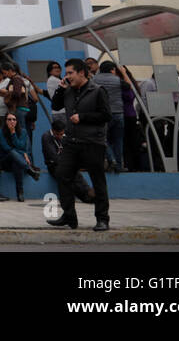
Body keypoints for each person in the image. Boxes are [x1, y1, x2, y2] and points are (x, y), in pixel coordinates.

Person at [48, 58, 111, 231]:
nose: (67, 76)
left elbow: (106, 115)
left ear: (81, 73)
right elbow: (55, 105)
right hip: (72, 142)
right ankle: (69, 216)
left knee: (98, 181)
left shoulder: (97, 91)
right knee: (62, 174)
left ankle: (102, 219)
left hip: (92, 142)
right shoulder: (68, 90)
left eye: (70, 73)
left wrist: (83, 117)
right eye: (66, 73)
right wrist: (61, 89)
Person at [42, 118, 93, 204]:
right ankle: (85, 196)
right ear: (53, 130)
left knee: (77, 175)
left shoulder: (65, 135)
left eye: (62, 134)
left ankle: (88, 193)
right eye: (58, 134)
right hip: (53, 165)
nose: (60, 136)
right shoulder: (46, 137)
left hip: (65, 163)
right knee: (67, 176)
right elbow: (53, 156)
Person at [0, 112, 41, 201]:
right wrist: (23, 153)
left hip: (18, 162)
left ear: (17, 121)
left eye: (14, 119)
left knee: (17, 164)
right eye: (9, 119)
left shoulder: (23, 131)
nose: (12, 121)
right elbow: (6, 148)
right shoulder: (0, 132)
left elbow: (21, 146)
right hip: (5, 161)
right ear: (5, 121)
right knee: (12, 153)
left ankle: (20, 193)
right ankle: (29, 170)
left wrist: (13, 134)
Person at [93, 60, 126, 172]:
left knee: (102, 138)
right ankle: (119, 165)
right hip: (118, 113)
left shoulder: (95, 79)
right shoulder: (117, 79)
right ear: (112, 69)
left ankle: (111, 160)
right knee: (118, 140)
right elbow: (129, 86)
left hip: (103, 114)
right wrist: (124, 73)